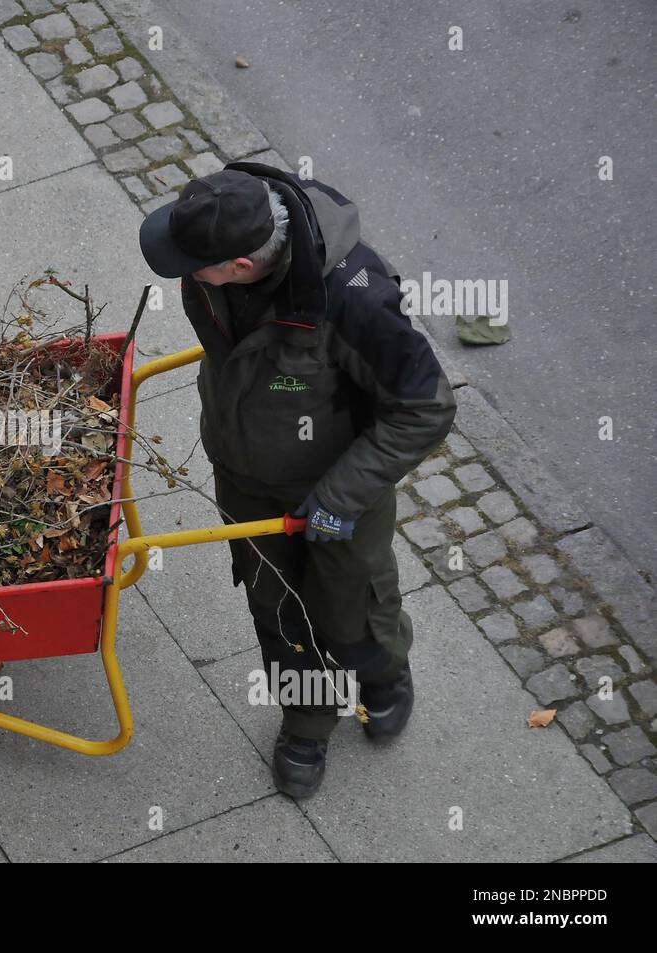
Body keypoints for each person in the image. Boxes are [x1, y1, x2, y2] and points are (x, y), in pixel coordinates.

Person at [138, 164, 456, 798]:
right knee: (277, 608)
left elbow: (425, 406)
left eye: (193, 265)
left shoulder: (355, 300)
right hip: (247, 472)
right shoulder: (217, 248)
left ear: (242, 265)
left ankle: (384, 674)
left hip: (339, 485)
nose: (182, 275)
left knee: (351, 609)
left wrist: (340, 497)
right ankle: (308, 722)